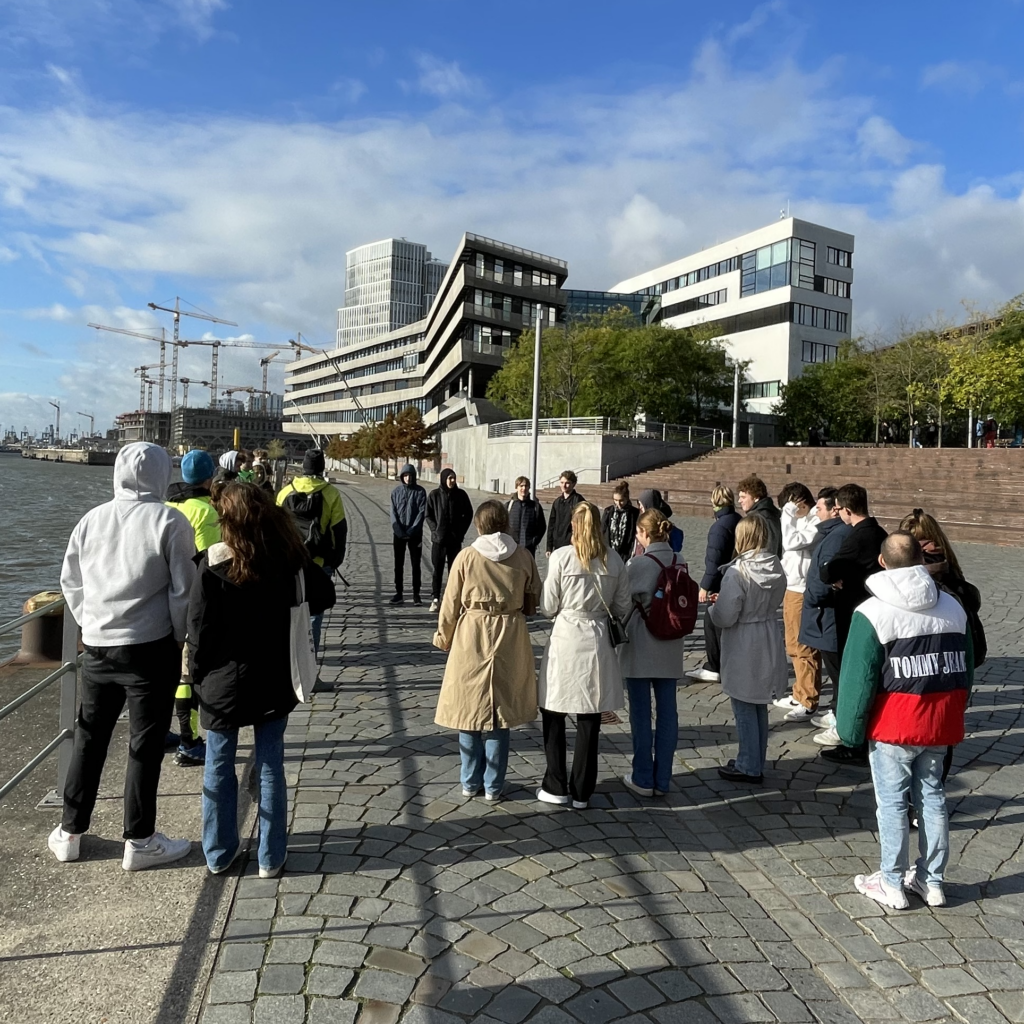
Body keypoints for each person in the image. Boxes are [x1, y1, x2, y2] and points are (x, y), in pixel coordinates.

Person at [49, 442, 196, 870]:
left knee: (90, 738)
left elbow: (69, 580)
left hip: (97, 645)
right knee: (145, 745)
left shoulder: (91, 520)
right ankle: (140, 839)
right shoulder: (171, 519)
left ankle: (70, 831)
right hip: (150, 647)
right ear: (161, 474)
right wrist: (177, 637)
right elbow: (182, 591)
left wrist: (90, 621)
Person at [188, 482, 336, 878]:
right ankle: (271, 856)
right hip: (275, 675)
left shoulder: (212, 564)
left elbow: (199, 630)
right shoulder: (289, 557)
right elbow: (325, 595)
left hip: (223, 680)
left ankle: (219, 852)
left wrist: (195, 679)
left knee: (218, 763)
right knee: (271, 762)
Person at [838, 532, 973, 909]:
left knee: (893, 804)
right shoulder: (953, 607)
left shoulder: (871, 612)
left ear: (882, 562)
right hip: (939, 718)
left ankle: (892, 881)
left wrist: (849, 730)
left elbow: (857, 678)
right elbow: (966, 670)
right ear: (921, 560)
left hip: (894, 725)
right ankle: (932, 881)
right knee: (932, 797)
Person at [433, 500, 542, 801]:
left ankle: (470, 780)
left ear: (479, 525)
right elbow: (533, 599)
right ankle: (494, 785)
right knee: (501, 711)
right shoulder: (522, 555)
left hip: (473, 630)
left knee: (469, 709)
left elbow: (451, 602)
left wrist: (444, 637)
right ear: (506, 523)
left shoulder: (466, 557)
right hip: (510, 630)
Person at [538, 501, 631, 808]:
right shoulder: (614, 560)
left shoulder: (563, 558)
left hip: (567, 635)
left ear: (574, 526)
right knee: (591, 713)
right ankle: (582, 788)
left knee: (554, 709)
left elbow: (548, 604)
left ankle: (556, 782)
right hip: (597, 637)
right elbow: (622, 606)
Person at [710, 515, 787, 784]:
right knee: (758, 704)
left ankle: (747, 764)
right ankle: (755, 759)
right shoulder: (776, 565)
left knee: (743, 703)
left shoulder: (738, 571)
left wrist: (713, 609)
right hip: (766, 630)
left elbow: (726, 615)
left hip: (744, 636)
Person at [815, 483, 888, 764]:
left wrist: (828, 572)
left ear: (846, 510)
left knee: (855, 677)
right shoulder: (879, 533)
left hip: (855, 612)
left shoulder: (858, 536)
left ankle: (852, 741)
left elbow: (830, 569)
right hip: (872, 609)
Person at [619, 509, 685, 798]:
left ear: (645, 534)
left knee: (641, 713)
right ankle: (664, 777)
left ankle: (643, 776)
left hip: (641, 644)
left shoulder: (639, 563)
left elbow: (622, 604)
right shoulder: (680, 560)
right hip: (670, 644)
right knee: (668, 712)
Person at [165, 448, 222, 767]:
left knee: (167, 674)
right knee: (189, 675)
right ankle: (190, 742)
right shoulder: (208, 511)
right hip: (194, 602)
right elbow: (213, 557)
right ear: (208, 477)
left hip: (162, 600)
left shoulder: (167, 506)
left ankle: (162, 730)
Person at [276, 449, 346, 668]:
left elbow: (275, 528)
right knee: (314, 616)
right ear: (322, 467)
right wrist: (334, 560)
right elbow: (339, 531)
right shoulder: (331, 494)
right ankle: (308, 669)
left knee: (287, 613)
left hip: (288, 562)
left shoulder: (284, 492)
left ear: (304, 467)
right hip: (318, 562)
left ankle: (286, 666)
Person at [797, 487, 852, 731]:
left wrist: (810, 597)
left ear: (834, 510)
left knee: (838, 670)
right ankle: (836, 710)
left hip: (827, 616)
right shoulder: (833, 534)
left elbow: (825, 579)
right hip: (826, 615)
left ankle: (841, 716)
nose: (816, 512)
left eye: (819, 508)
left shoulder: (836, 537)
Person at [771, 483, 822, 722]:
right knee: (792, 644)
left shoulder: (815, 521)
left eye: (789, 506)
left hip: (803, 590)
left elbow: (792, 542)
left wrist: (788, 514)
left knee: (804, 647)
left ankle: (809, 699)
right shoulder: (799, 520)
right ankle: (798, 692)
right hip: (791, 588)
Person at [686, 485, 742, 684]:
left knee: (711, 623)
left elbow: (714, 560)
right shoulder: (738, 520)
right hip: (735, 578)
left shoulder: (719, 526)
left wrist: (705, 586)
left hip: (720, 582)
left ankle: (714, 666)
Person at [425, 468, 474, 613]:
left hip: (454, 540)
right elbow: (428, 515)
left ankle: (454, 599)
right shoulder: (434, 495)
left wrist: (461, 531)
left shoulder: (461, 495)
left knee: (455, 571)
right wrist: (435, 530)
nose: (452, 481)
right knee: (437, 570)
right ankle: (435, 598)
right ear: (444, 479)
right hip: (439, 541)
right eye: (449, 478)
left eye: (454, 478)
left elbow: (469, 514)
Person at [390, 463, 427, 604]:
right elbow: (393, 513)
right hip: (399, 534)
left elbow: (421, 513)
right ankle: (398, 592)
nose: (408, 478)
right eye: (405, 475)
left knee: (416, 564)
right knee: (398, 564)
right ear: (402, 476)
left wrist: (412, 531)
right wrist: (399, 531)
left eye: (410, 475)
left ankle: (416, 594)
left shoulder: (420, 492)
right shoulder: (396, 492)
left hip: (415, 534)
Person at [737, 475, 782, 558]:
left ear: (756, 497)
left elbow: (771, 549)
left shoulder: (764, 517)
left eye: (743, 497)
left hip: (760, 567)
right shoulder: (764, 514)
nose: (739, 501)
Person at [545, 470, 585, 556]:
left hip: (571, 544)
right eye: (562, 482)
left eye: (567, 483)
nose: (564, 486)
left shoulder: (578, 500)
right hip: (557, 544)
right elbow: (552, 524)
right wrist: (549, 546)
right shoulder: (557, 502)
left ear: (573, 484)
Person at [507, 476, 546, 556]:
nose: (524, 488)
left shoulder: (535, 506)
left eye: (526, 486)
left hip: (528, 549)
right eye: (521, 486)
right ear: (516, 487)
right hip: (511, 548)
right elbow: (503, 525)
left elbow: (542, 527)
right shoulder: (509, 506)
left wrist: (534, 541)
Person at [601, 483, 639, 563]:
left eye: (621, 500)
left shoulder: (634, 513)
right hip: (610, 552)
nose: (618, 503)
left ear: (627, 499)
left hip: (627, 553)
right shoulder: (608, 511)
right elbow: (602, 530)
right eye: (615, 500)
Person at [637, 489, 683, 553]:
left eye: (641, 505)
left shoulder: (665, 530)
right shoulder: (669, 528)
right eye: (639, 505)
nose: (640, 508)